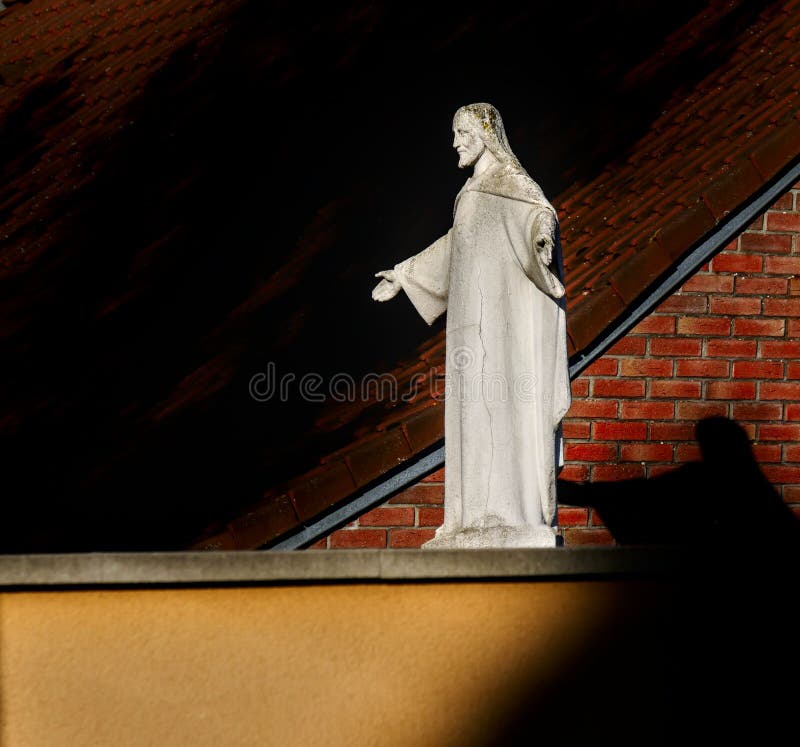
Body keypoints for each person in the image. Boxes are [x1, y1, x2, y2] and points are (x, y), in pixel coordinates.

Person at [372, 103, 570, 548]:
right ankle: (469, 516)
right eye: (455, 133)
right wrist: (405, 276)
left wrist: (542, 237)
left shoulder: (511, 184)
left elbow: (541, 215)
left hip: (503, 331)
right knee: (471, 414)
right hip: (468, 333)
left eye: (462, 133)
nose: (455, 143)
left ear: (485, 135)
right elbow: (453, 247)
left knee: (502, 409)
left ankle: (508, 512)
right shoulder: (468, 195)